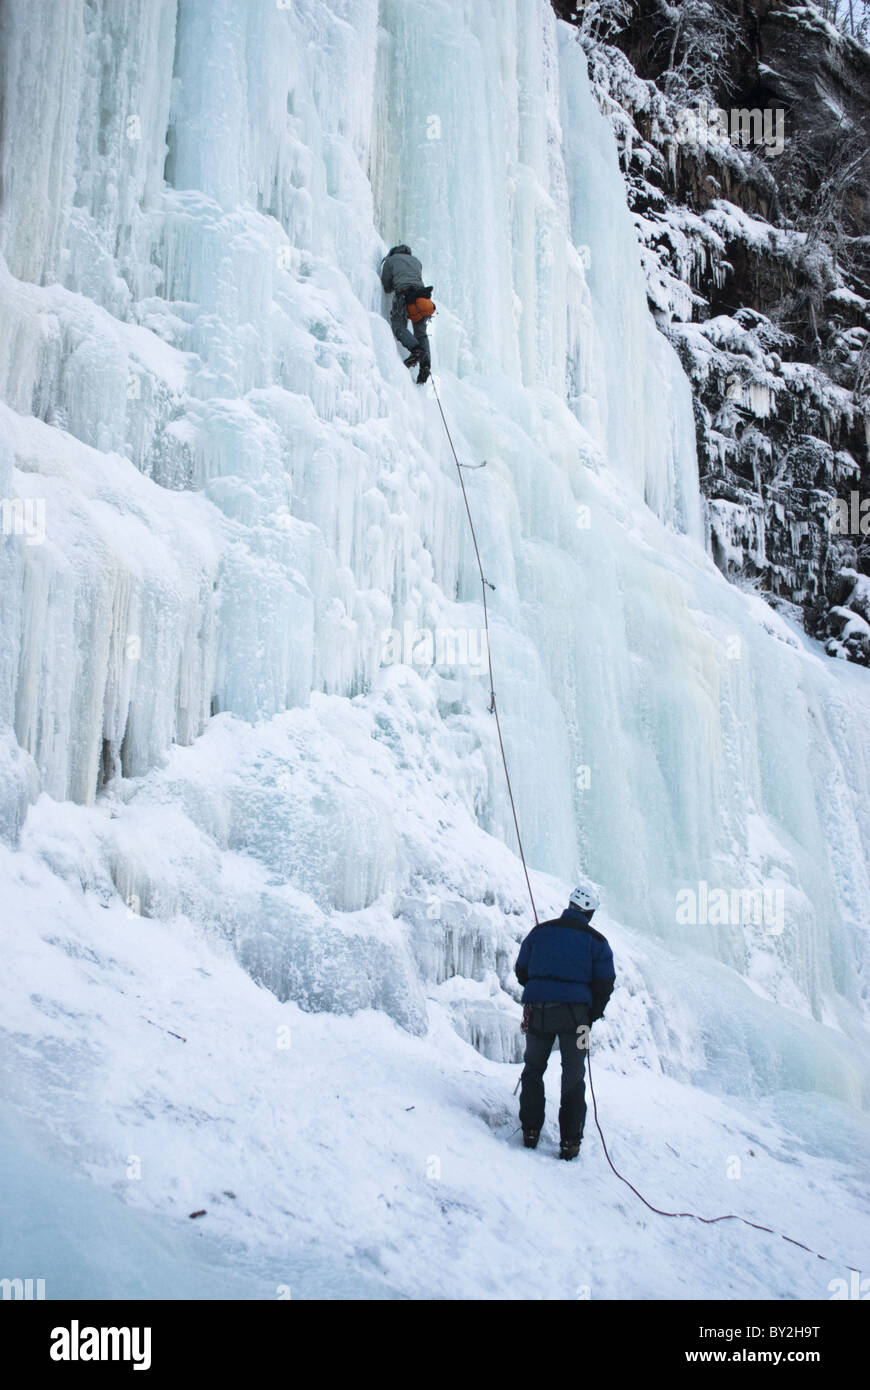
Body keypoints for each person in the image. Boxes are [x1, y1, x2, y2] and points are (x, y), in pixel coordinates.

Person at [515, 885, 615, 1160]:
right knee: (574, 1075)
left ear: (569, 905)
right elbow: (605, 983)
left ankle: (531, 1131)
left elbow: (521, 969)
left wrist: (539, 989)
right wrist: (592, 1014)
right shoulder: (597, 942)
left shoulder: (540, 932)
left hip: (539, 1011)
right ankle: (570, 1141)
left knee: (533, 1069)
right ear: (590, 913)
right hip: (578, 1020)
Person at [379, 244, 433, 385]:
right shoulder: (416, 262)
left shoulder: (390, 261)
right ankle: (426, 364)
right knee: (421, 333)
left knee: (399, 327)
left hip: (404, 296)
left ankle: (416, 351)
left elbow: (386, 286)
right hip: (422, 299)